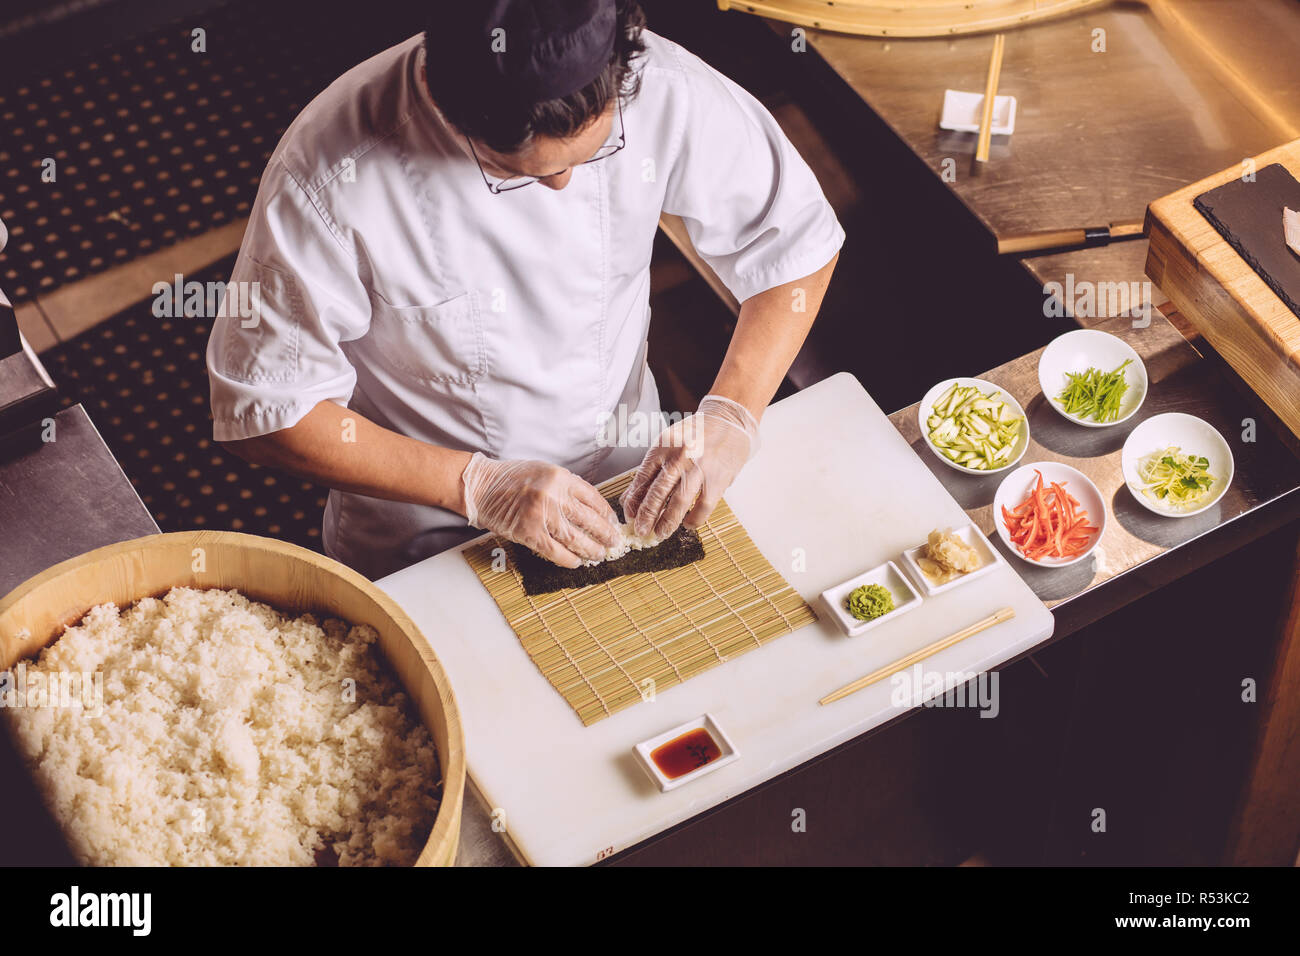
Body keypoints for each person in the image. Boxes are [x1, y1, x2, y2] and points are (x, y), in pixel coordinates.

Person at [208, 0, 843, 579]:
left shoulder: (662, 87)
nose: (563, 187)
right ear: (450, 110)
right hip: (432, 536)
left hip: (631, 480)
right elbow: (270, 413)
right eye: (522, 175)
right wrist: (479, 486)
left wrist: (733, 414)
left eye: (588, 158)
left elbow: (796, 245)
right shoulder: (330, 172)